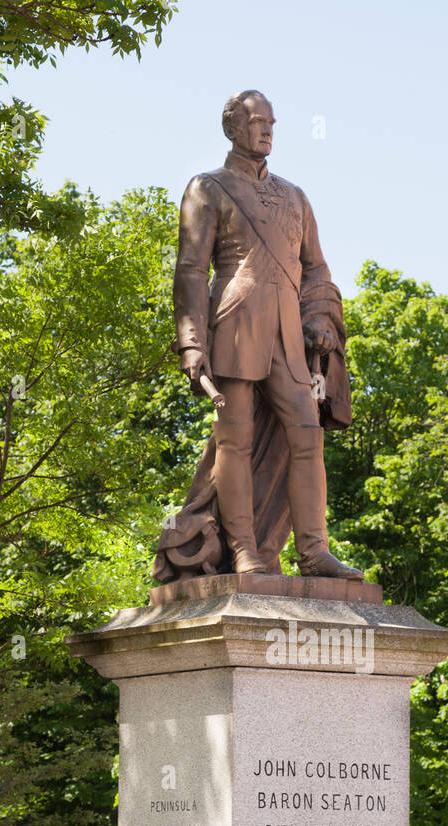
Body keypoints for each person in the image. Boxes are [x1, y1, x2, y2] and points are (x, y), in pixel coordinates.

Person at [153, 90, 363, 582]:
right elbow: (189, 271)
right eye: (256, 122)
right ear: (232, 128)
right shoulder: (208, 187)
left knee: (307, 435)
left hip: (289, 335)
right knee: (235, 442)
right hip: (234, 322)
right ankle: (244, 550)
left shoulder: (296, 196)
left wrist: (317, 317)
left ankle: (314, 552)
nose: (266, 131)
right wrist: (191, 342)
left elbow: (317, 270)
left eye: (271, 123)